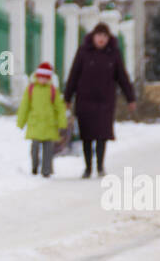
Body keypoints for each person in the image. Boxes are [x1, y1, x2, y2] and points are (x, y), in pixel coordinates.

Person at [63, 21, 137, 178]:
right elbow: (73, 75)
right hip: (85, 100)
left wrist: (130, 98)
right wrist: (67, 98)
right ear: (93, 36)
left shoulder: (114, 53)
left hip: (105, 101)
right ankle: (88, 167)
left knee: (102, 134)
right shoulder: (83, 52)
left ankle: (100, 166)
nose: (101, 39)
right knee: (87, 135)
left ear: (108, 38)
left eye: (104, 36)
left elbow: (122, 77)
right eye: (99, 36)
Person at [16, 61, 68, 178]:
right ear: (37, 76)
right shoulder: (31, 89)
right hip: (35, 124)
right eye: (41, 77)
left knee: (48, 151)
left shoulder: (52, 90)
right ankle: (34, 167)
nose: (43, 80)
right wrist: (21, 121)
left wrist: (62, 123)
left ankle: (46, 170)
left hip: (49, 125)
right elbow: (25, 106)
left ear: (49, 78)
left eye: (45, 78)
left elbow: (59, 108)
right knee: (34, 149)